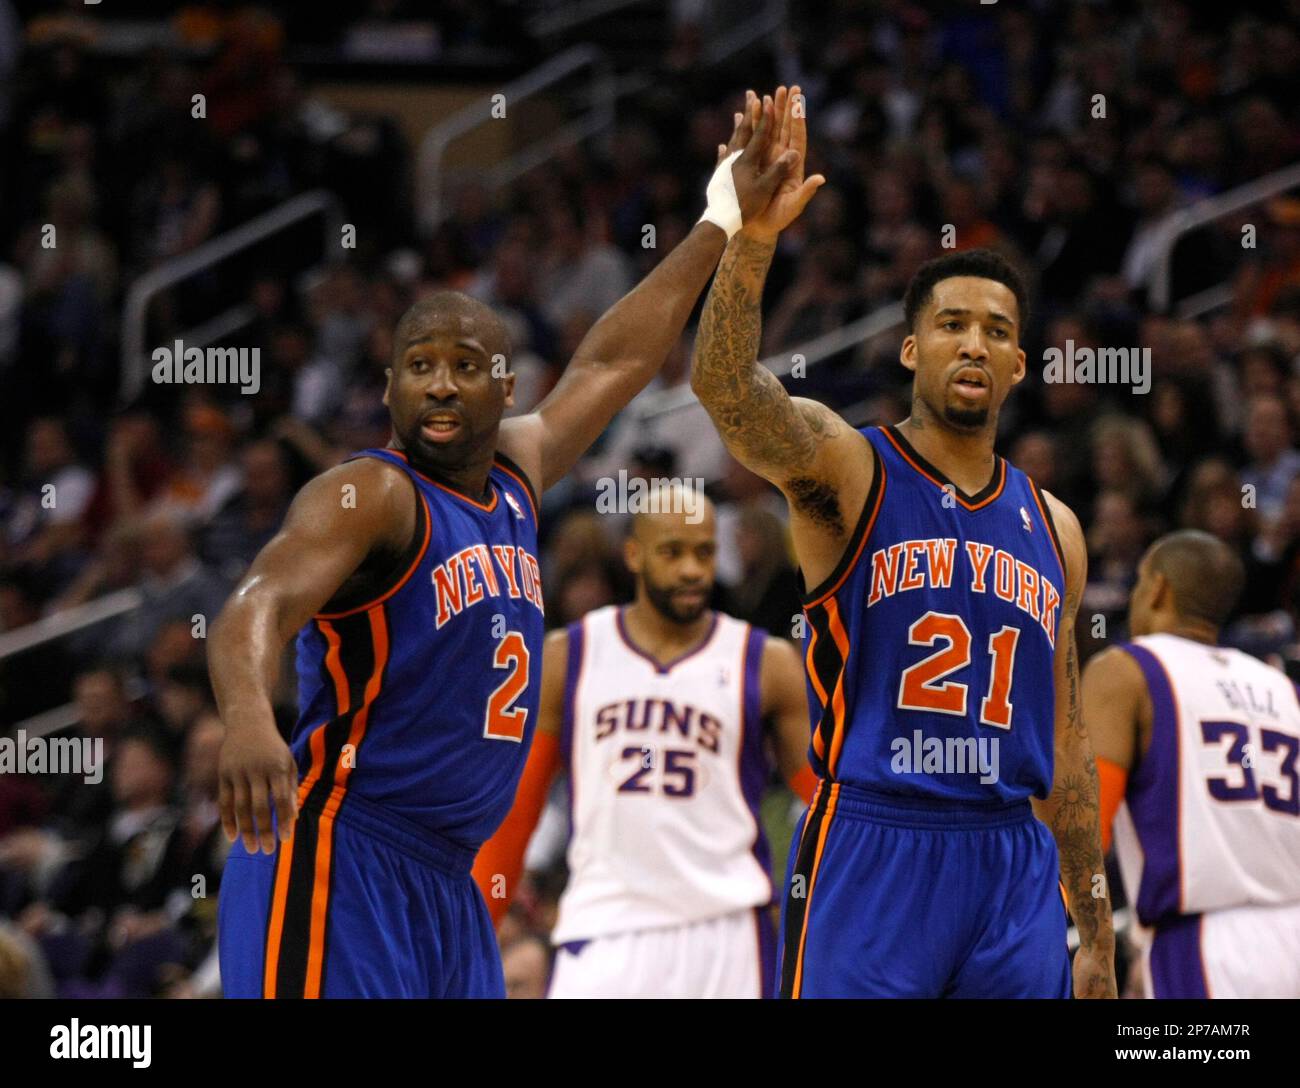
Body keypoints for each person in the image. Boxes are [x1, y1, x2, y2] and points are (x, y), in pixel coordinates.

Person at [210, 89, 802, 998]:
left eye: (463, 366)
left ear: (505, 385)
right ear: (388, 388)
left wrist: (722, 216)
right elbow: (256, 605)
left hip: (449, 879)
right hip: (342, 846)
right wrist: (251, 720)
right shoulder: (368, 494)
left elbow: (614, 360)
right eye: (419, 367)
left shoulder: (519, 470)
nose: (440, 386)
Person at [689, 86, 1115, 997]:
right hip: (874, 834)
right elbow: (725, 389)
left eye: (996, 332)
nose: (974, 344)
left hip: (1010, 854)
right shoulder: (849, 469)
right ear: (912, 351)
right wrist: (751, 238)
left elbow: (1070, 751)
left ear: (1017, 365)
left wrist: (1096, 925)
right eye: (951, 325)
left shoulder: (1057, 528)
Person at [473, 493, 816, 997]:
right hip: (605, 924)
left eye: (704, 552)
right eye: (672, 552)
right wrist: (475, 931)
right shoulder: (571, 656)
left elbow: (829, 805)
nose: (692, 570)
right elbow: (516, 818)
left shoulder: (765, 661)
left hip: (726, 928)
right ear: (633, 555)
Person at [1084, 530, 1300, 998]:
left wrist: (1092, 945)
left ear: (1157, 588)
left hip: (1203, 946)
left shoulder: (1127, 669)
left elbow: (1084, 827)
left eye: (1140, 582)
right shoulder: (1281, 687)